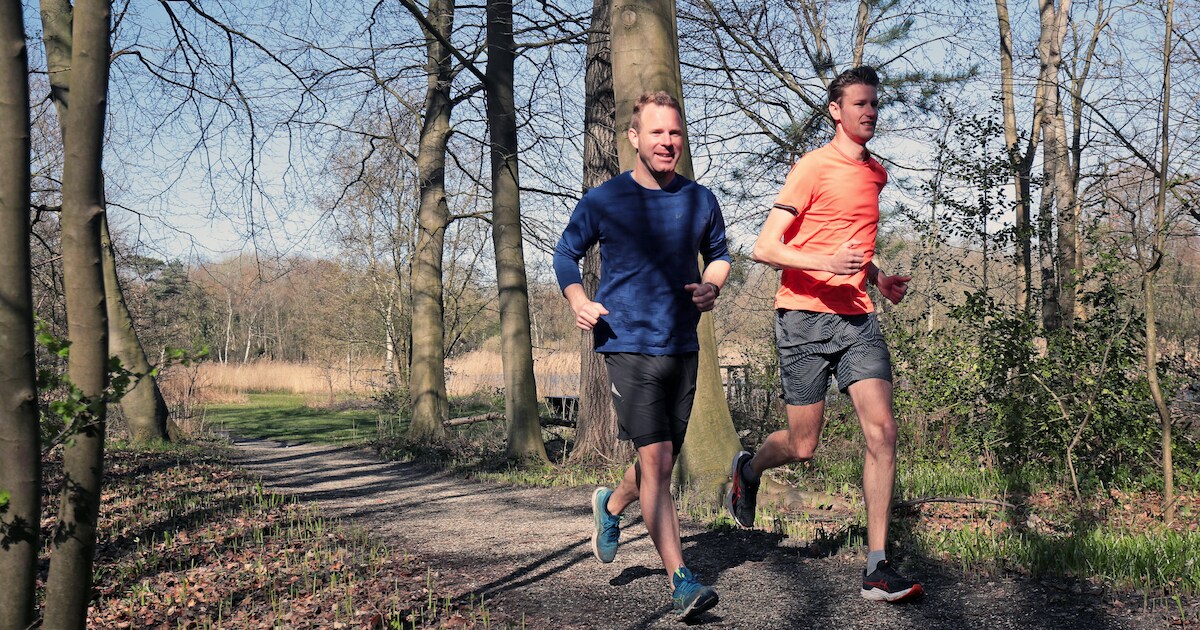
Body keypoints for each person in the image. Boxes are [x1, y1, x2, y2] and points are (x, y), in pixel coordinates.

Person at [725, 66, 924, 603]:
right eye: (859, 103)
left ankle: (878, 567)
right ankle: (749, 468)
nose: (869, 112)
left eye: (874, 104)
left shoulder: (875, 174)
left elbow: (855, 244)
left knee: (883, 434)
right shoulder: (811, 168)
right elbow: (764, 247)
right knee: (804, 444)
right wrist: (825, 260)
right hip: (803, 318)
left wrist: (878, 277)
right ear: (836, 109)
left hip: (857, 318)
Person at [553, 91, 731, 621]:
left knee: (662, 459)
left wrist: (711, 286)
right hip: (626, 343)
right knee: (657, 461)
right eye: (657, 133)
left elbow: (719, 254)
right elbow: (566, 253)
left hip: (682, 343)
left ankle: (610, 505)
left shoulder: (700, 199)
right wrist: (579, 299)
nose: (667, 142)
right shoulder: (604, 200)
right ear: (635, 138)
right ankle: (682, 580)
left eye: (675, 134)